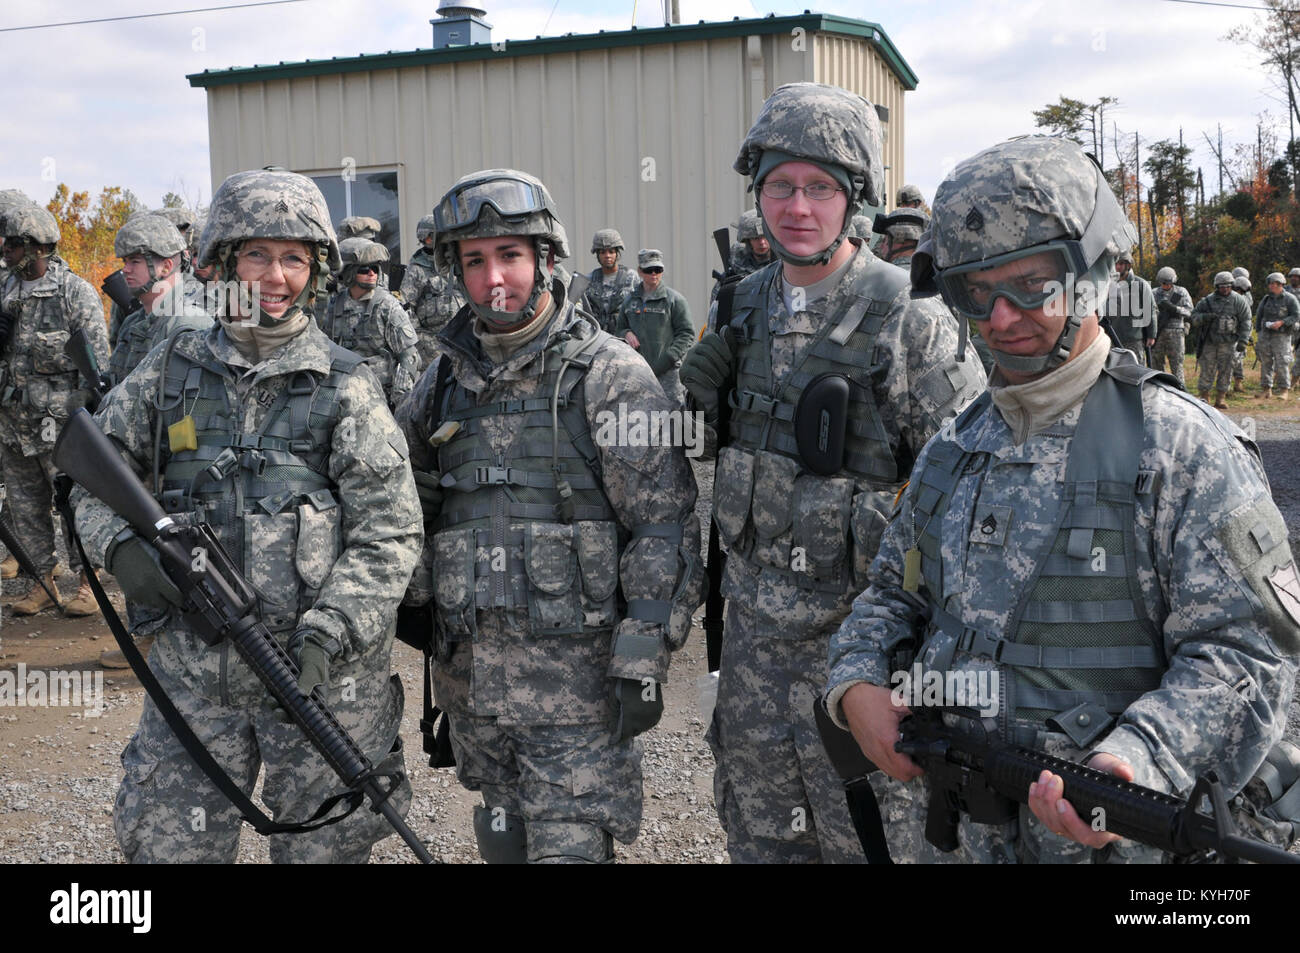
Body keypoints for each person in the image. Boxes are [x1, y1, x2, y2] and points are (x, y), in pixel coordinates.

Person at [825, 135, 1299, 865]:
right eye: (976, 292)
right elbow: (893, 593)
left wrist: (1140, 757)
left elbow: (1247, 654)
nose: (1002, 317)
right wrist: (855, 681)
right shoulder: (956, 446)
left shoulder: (1182, 448)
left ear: (1092, 276)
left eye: (1032, 285)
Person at [72, 169, 421, 863]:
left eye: (293, 257)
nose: (274, 275)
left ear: (316, 270)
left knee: (324, 848)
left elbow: (391, 529)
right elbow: (90, 477)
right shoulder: (172, 367)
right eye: (257, 254)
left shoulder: (347, 384)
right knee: (171, 849)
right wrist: (122, 551)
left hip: (315, 678)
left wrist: (333, 627)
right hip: (195, 676)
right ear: (225, 261)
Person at [679, 82, 985, 864]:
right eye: (779, 185)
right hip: (752, 655)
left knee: (876, 843)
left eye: (821, 187)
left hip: (865, 665)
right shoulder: (739, 309)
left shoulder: (909, 323)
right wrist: (698, 408)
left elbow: (976, 500)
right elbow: (714, 469)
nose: (798, 207)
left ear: (856, 200)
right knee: (760, 838)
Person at [397, 168, 702, 863]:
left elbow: (664, 523)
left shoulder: (607, 375)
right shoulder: (440, 384)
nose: (493, 277)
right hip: (477, 694)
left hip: (580, 697)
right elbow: (396, 509)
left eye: (509, 255)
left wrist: (644, 647)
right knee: (502, 843)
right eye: (474, 261)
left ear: (545, 259)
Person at [98, 212, 212, 668]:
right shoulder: (143, 320)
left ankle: (161, 643)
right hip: (145, 450)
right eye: (125, 260)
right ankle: (151, 634)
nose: (126, 269)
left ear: (166, 265)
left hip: (176, 454)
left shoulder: (188, 323)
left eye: (137, 261)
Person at [0, 202, 109, 617]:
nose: (5, 251)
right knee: (26, 506)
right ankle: (41, 580)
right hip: (12, 425)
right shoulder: (5, 289)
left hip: (60, 426)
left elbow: (96, 369)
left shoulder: (72, 293)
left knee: (75, 503)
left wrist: (85, 422)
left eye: (12, 244)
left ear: (35, 248)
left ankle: (89, 582)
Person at [321, 238, 419, 408]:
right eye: (365, 269)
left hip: (381, 398)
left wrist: (400, 399)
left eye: (375, 269)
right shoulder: (335, 305)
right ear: (349, 272)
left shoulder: (386, 305)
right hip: (342, 395)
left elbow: (410, 356)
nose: (372, 273)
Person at [613, 249, 694, 405]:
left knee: (673, 422)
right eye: (649, 270)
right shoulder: (630, 301)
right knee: (640, 421)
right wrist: (626, 333)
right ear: (640, 271)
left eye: (658, 270)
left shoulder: (673, 300)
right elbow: (619, 330)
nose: (654, 274)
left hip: (668, 376)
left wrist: (668, 358)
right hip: (638, 374)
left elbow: (686, 334)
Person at [400, 213, 465, 369]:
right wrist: (421, 338)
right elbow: (406, 307)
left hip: (462, 336)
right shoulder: (417, 270)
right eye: (431, 237)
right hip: (432, 343)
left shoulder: (457, 263)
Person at [1192, 271, 1251, 408]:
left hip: (1229, 342)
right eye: (1222, 286)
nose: (1225, 289)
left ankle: (1221, 398)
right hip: (1210, 342)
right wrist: (1205, 317)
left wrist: (1243, 340)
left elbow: (1246, 321)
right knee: (1207, 370)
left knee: (1226, 370)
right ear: (1216, 286)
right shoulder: (1207, 301)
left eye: (1228, 286)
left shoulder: (1238, 301)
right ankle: (1204, 397)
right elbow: (1194, 317)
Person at [1101, 250, 1155, 365]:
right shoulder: (1108, 285)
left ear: (1128, 265)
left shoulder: (1141, 284)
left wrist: (1151, 335)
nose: (1117, 267)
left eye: (1120, 264)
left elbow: (1150, 311)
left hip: (1133, 339)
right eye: (1115, 264)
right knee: (1113, 372)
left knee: (1136, 372)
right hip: (1112, 338)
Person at [582, 229, 639, 333]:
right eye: (602, 252)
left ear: (617, 253)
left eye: (611, 251)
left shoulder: (631, 278)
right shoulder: (588, 280)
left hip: (624, 337)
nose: (607, 255)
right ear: (597, 255)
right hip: (596, 337)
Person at [1255, 272, 1298, 399]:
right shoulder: (1266, 298)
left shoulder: (1290, 299)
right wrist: (1259, 331)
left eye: (1274, 284)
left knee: (1282, 362)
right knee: (1265, 362)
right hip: (1266, 335)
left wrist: (1282, 322)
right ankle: (1266, 389)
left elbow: (1296, 315)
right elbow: (1259, 314)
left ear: (1280, 284)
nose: (1271, 286)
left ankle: (1284, 390)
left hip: (1282, 336)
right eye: (1270, 284)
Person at [1150, 265, 1192, 387]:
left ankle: (1180, 390)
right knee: (1156, 364)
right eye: (1163, 283)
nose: (1165, 286)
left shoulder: (1181, 292)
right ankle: (1159, 389)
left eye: (1168, 283)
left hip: (1176, 332)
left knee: (1177, 365)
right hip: (1158, 332)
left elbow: (1189, 312)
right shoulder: (1154, 293)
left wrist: (1175, 309)